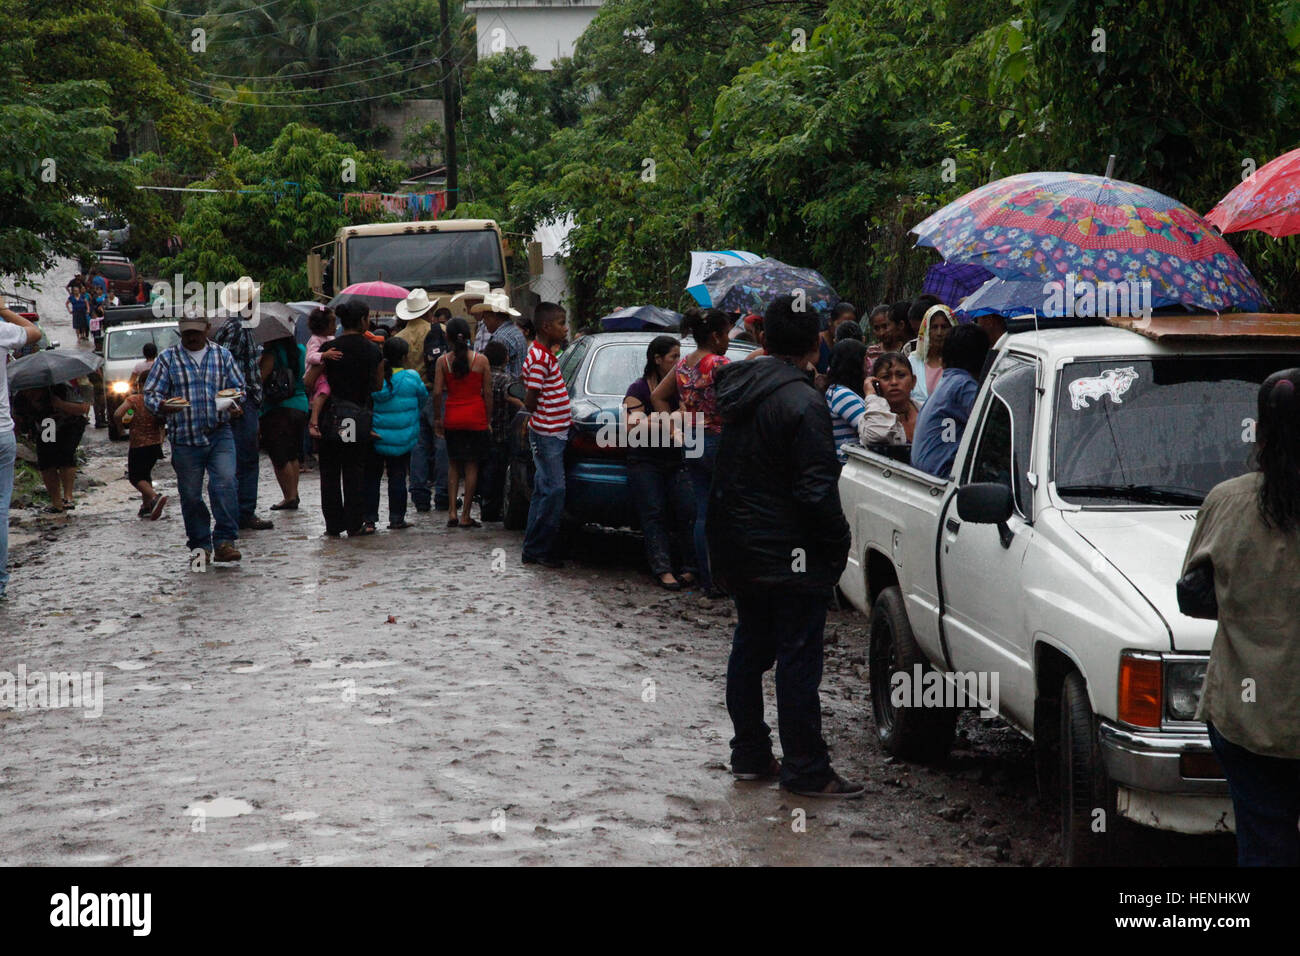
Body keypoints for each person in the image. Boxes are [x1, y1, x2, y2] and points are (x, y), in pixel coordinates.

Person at [708, 294, 862, 797]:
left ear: (764, 340)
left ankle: (750, 754)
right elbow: (816, 491)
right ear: (816, 345)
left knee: (750, 647)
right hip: (790, 554)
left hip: (739, 547)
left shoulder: (738, 388)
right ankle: (805, 768)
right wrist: (838, 541)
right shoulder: (803, 402)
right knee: (797, 658)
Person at [1182, 368, 1300, 867]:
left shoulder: (1228, 501)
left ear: (1261, 432)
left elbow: (1192, 596)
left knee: (1264, 842)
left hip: (1247, 714)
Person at [143, 314, 246, 564]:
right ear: (181, 332)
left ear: (207, 330)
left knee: (225, 484)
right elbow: (151, 394)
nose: (191, 337)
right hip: (184, 438)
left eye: (196, 332)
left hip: (219, 433)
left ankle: (224, 541)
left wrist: (234, 403)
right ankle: (200, 544)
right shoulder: (168, 359)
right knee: (190, 495)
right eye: (187, 332)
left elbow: (238, 388)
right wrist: (164, 406)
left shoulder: (222, 356)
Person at [651, 307, 731, 593]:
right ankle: (723, 580)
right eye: (727, 333)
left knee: (703, 513)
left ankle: (708, 582)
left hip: (692, 439)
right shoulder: (720, 362)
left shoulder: (683, 364)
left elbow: (657, 396)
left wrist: (677, 427)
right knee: (725, 513)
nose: (729, 338)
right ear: (715, 335)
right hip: (718, 440)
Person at [625, 334, 697, 589]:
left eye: (680, 357)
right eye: (673, 357)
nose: (678, 362)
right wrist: (670, 418)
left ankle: (691, 568)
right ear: (657, 360)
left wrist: (657, 419)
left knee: (688, 511)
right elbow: (632, 424)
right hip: (644, 460)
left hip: (677, 460)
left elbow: (691, 417)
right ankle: (663, 569)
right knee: (654, 512)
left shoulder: (683, 387)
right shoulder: (639, 388)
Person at [311, 301, 383, 538]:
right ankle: (354, 523)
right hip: (353, 419)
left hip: (331, 416)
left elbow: (308, 381)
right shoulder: (373, 350)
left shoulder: (330, 348)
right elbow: (378, 385)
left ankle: (333, 524)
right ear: (363, 320)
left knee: (330, 470)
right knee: (353, 468)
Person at [214, 282, 272, 532]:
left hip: (244, 401)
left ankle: (239, 512)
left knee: (243, 459)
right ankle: (242, 512)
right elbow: (222, 366)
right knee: (245, 460)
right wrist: (234, 401)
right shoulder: (236, 327)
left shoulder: (241, 326)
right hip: (240, 403)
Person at [520, 302, 571, 567]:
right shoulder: (540, 357)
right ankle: (541, 548)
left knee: (544, 491)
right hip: (547, 433)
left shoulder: (542, 354)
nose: (565, 328)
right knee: (554, 491)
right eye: (561, 323)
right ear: (546, 327)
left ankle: (533, 548)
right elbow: (531, 398)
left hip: (553, 432)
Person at [0, 301, 43, 600]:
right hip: (2, 433)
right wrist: (3, 310)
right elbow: (34, 332)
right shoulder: (1, 331)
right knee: (0, 511)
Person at [434, 317, 492, 529]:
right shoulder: (482, 360)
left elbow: (438, 392)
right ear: (469, 337)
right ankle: (466, 514)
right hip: (476, 416)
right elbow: (487, 393)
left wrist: (438, 419)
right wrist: (488, 418)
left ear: (447, 337)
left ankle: (452, 512)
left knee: (453, 464)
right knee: (471, 465)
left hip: (453, 416)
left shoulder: (443, 362)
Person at [910, 324, 990, 478]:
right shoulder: (963, 386)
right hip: (942, 479)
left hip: (927, 477)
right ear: (982, 358)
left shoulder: (948, 381)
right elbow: (991, 428)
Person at [366, 337, 427, 531]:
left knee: (372, 478)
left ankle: (369, 520)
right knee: (398, 476)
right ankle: (396, 518)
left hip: (376, 436)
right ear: (404, 356)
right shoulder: (412, 377)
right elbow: (422, 399)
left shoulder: (376, 378)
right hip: (402, 438)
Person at [16, 379, 90, 513]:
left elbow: (84, 408)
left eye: (33, 391)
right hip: (46, 425)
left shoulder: (61, 388)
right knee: (47, 461)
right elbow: (18, 419)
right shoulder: (21, 398)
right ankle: (56, 501)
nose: (30, 393)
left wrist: (60, 404)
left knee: (65, 456)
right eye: (27, 391)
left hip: (70, 424)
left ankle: (68, 496)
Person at [258, 330, 309, 511]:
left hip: (278, 408)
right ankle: (293, 494)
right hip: (300, 405)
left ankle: (289, 497)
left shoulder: (272, 353)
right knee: (293, 453)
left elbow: (260, 379)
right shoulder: (302, 350)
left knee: (279, 455)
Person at [113, 377, 167, 519]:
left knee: (135, 477)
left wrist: (120, 430)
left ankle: (155, 497)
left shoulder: (135, 400)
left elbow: (118, 414)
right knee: (145, 475)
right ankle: (147, 506)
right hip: (155, 445)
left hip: (139, 445)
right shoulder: (159, 401)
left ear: (141, 385)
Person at [479, 340, 519, 522]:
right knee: (499, 473)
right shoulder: (507, 380)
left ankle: (485, 506)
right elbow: (514, 400)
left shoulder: (479, 376)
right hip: (501, 434)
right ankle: (494, 509)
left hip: (480, 432)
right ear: (505, 358)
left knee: (482, 471)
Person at [865, 351, 920, 444]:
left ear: (913, 381)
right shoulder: (870, 419)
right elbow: (877, 435)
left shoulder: (926, 411)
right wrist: (871, 396)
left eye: (901, 375)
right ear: (876, 384)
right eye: (886, 377)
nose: (894, 382)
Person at [473, 293, 527, 381]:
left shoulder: (500, 338)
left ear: (494, 316)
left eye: (486, 318)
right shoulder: (515, 331)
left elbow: (499, 374)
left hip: (507, 388)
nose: (484, 322)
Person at [909, 302, 953, 406]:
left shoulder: (960, 361)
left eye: (944, 327)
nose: (939, 333)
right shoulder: (913, 361)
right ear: (926, 330)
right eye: (934, 327)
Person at [817, 302, 858, 375]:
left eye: (850, 326)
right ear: (830, 322)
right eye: (841, 325)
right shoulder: (817, 342)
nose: (845, 330)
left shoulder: (851, 345)